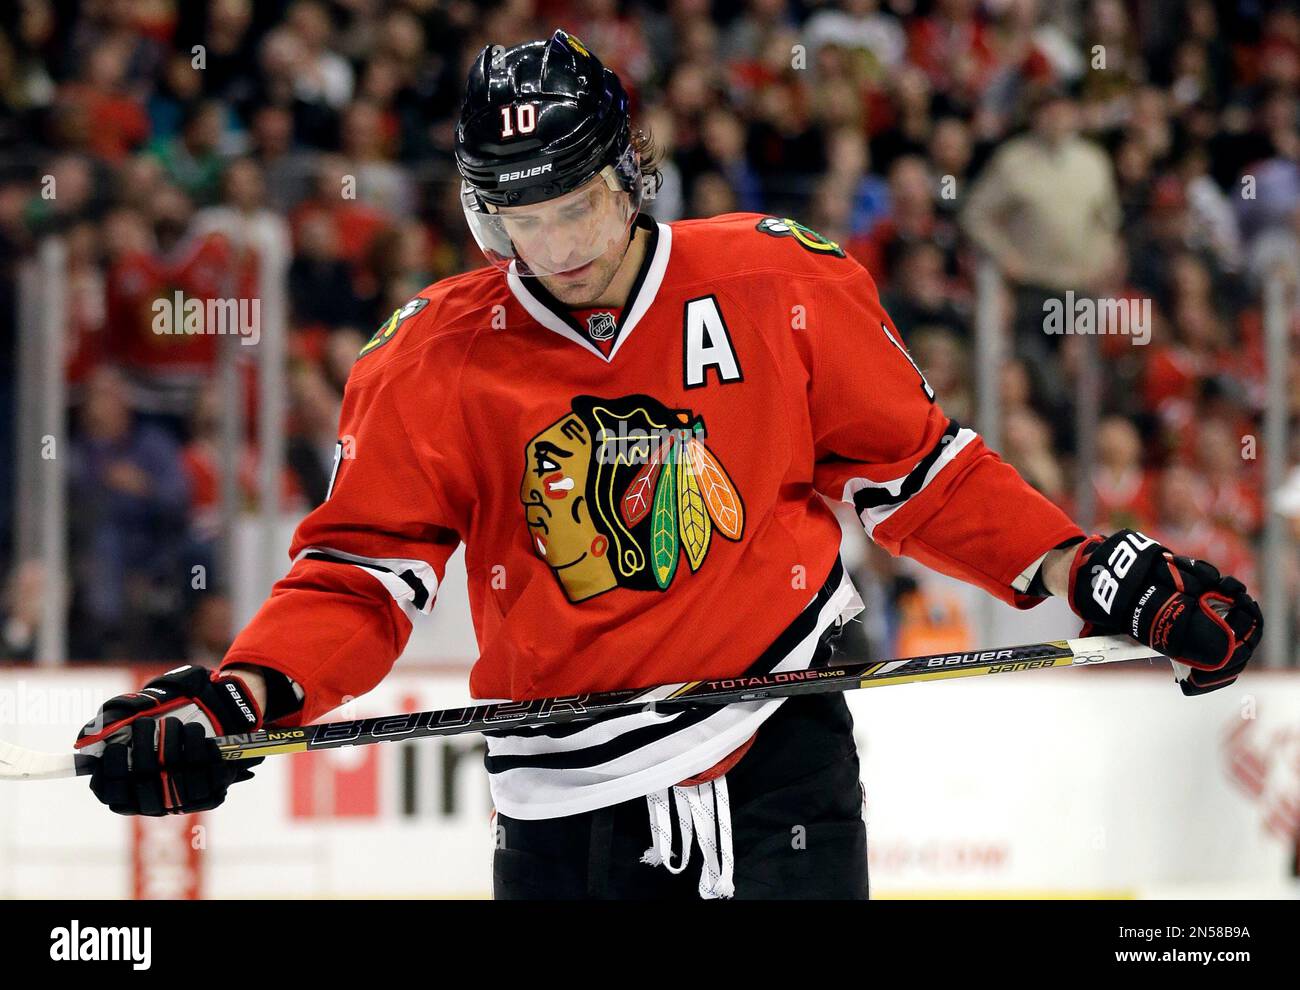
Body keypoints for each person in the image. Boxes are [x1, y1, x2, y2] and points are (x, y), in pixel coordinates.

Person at [74, 31, 1263, 900]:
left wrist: (1098, 571)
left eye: (579, 206)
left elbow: (922, 476)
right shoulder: (427, 358)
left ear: (630, 171)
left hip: (774, 767)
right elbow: (356, 579)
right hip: (557, 814)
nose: (559, 248)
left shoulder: (777, 283)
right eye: (519, 221)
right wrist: (241, 697)